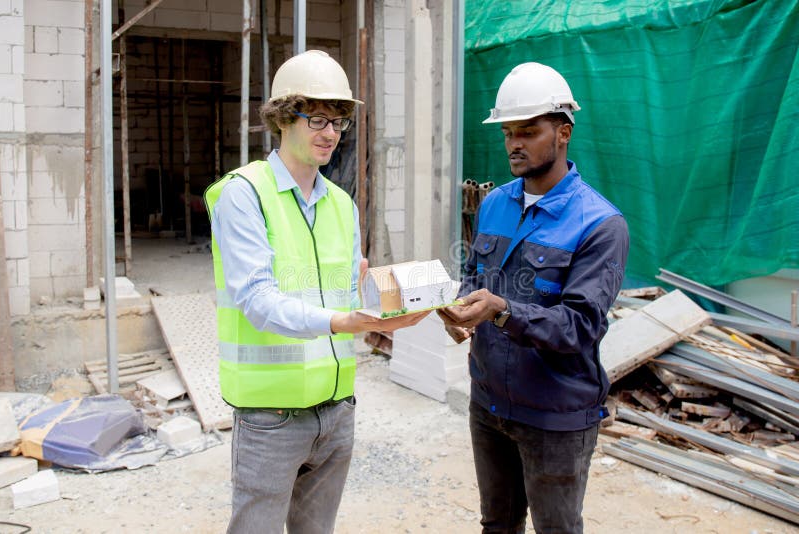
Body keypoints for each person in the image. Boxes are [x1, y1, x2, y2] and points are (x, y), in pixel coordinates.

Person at [205, 50, 428, 534]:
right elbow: (257, 300)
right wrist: (344, 320)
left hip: (337, 410)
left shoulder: (342, 205)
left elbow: (344, 297)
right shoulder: (244, 193)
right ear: (285, 117)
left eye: (339, 122)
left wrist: (380, 303)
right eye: (319, 119)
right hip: (271, 417)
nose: (331, 133)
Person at [438, 62, 629, 533]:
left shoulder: (600, 225)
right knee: (496, 524)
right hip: (488, 403)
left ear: (562, 132)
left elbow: (579, 328)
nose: (513, 144)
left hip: (555, 417)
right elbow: (474, 276)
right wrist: (462, 312)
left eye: (527, 131)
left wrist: (500, 311)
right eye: (507, 133)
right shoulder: (494, 203)